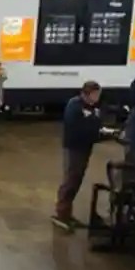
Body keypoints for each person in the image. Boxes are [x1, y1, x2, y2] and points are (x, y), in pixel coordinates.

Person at [52, 80, 103, 231]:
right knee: (71, 179)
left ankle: (67, 214)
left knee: (77, 180)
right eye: (96, 94)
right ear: (87, 94)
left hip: (84, 148)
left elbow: (95, 123)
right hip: (74, 149)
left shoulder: (92, 108)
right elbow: (79, 127)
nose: (98, 98)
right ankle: (62, 213)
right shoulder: (74, 106)